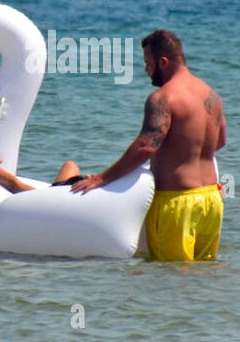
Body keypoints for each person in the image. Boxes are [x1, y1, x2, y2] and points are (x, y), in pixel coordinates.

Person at [72, 30, 225, 262]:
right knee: (202, 275)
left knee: (171, 276)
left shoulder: (162, 98)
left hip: (176, 203)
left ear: (163, 62)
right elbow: (220, 141)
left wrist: (102, 178)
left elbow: (146, 146)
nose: (146, 69)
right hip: (211, 200)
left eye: (147, 62)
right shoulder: (211, 95)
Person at [0, 145, 88, 194]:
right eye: (91, 176)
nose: (88, 175)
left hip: (61, 193)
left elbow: (14, 185)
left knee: (70, 165)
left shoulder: (50, 200)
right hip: (66, 189)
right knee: (70, 165)